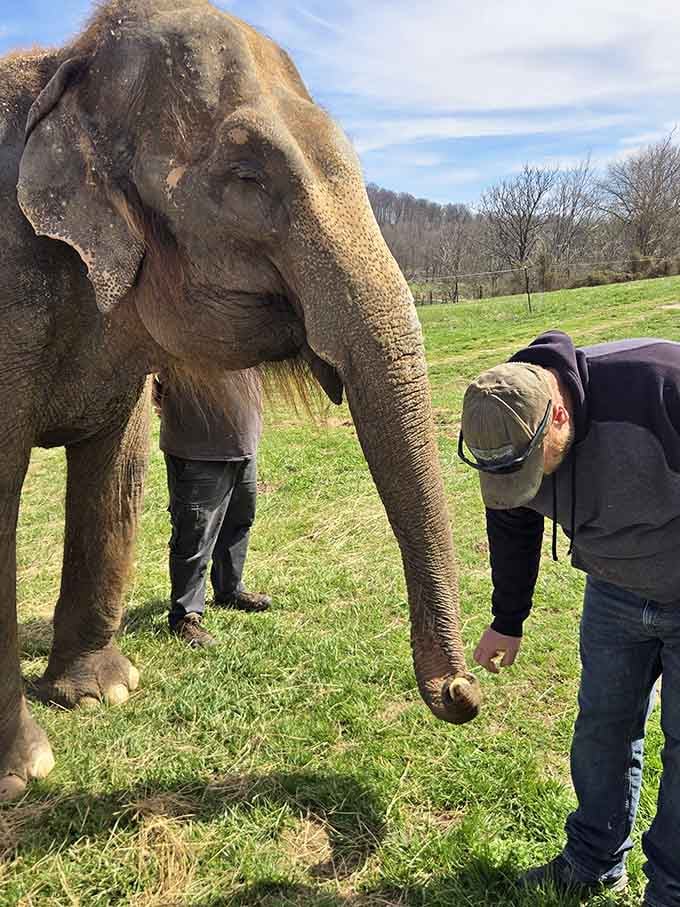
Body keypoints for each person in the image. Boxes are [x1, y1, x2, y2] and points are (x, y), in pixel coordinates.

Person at [458, 330, 680, 907]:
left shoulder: (658, 385)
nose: (526, 488)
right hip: (612, 591)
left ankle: (673, 889)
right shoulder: (501, 422)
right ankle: (594, 862)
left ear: (558, 414)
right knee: (602, 728)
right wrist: (508, 618)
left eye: (535, 469)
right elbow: (512, 522)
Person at [153, 372, 271, 648]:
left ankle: (229, 589)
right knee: (194, 534)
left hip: (243, 440)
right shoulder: (183, 327)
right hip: (197, 446)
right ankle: (185, 615)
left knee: (239, 521)